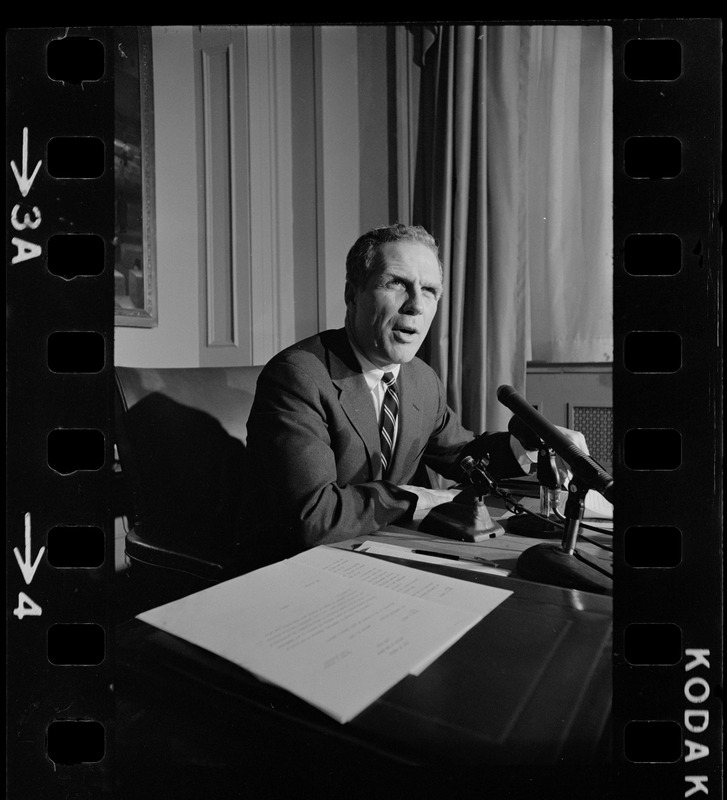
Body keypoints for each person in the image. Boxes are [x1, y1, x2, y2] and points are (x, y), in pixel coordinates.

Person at [245, 223, 587, 565]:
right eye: (397, 283)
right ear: (353, 295)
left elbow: (460, 455)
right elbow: (314, 515)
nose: (416, 306)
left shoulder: (420, 378)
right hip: (299, 571)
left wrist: (528, 444)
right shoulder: (298, 376)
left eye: (429, 291)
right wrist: (417, 498)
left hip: (383, 556)